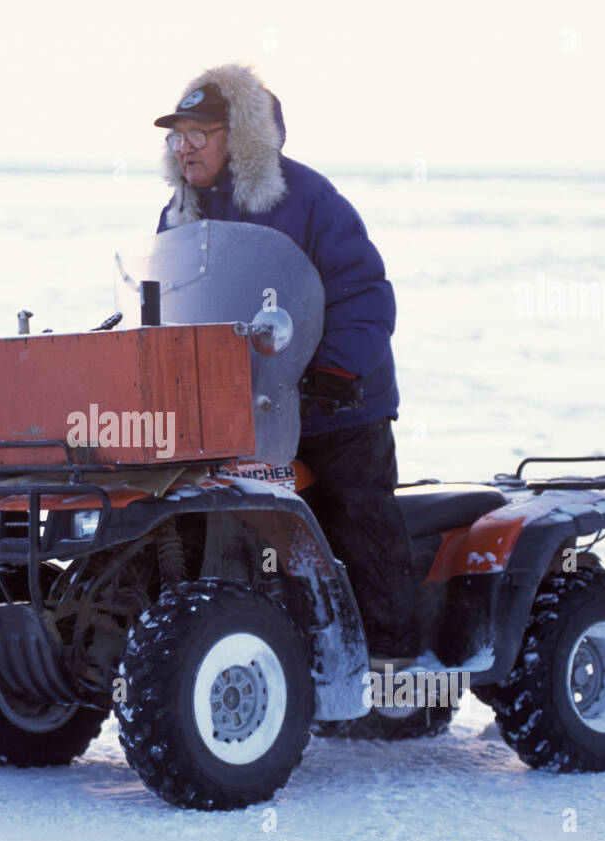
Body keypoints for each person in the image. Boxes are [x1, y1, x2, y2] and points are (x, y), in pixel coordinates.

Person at [153, 63, 418, 659]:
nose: (185, 146)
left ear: (241, 136)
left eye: (200, 132)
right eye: (177, 135)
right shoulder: (178, 215)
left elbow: (363, 291)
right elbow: (171, 301)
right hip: (236, 409)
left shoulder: (310, 200)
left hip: (332, 404)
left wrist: (337, 372)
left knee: (357, 520)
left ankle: (395, 675)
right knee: (207, 526)